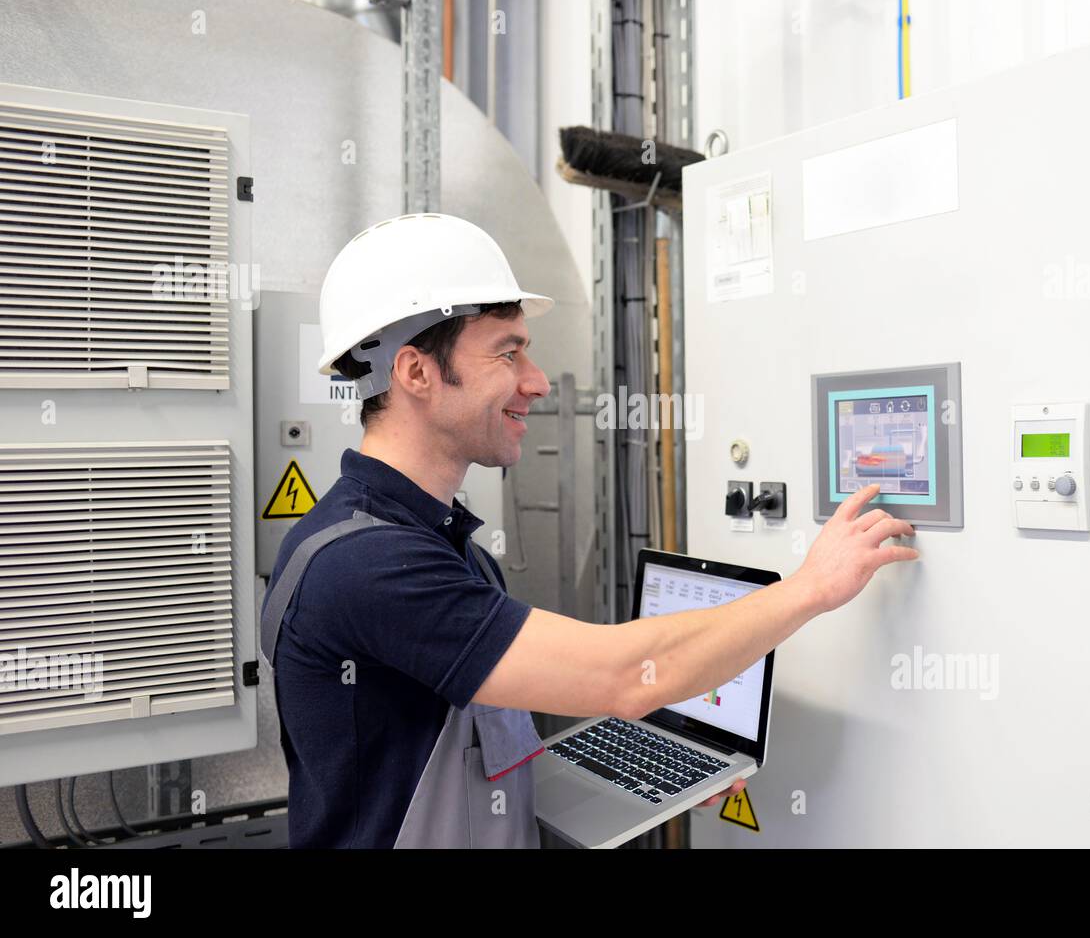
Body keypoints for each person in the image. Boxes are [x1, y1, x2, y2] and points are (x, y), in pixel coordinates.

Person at [261, 213, 919, 848]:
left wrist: (644, 775)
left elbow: (466, 746)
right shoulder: (368, 563)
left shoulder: (442, 542)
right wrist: (811, 586)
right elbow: (631, 674)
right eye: (508, 352)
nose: (538, 382)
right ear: (415, 373)